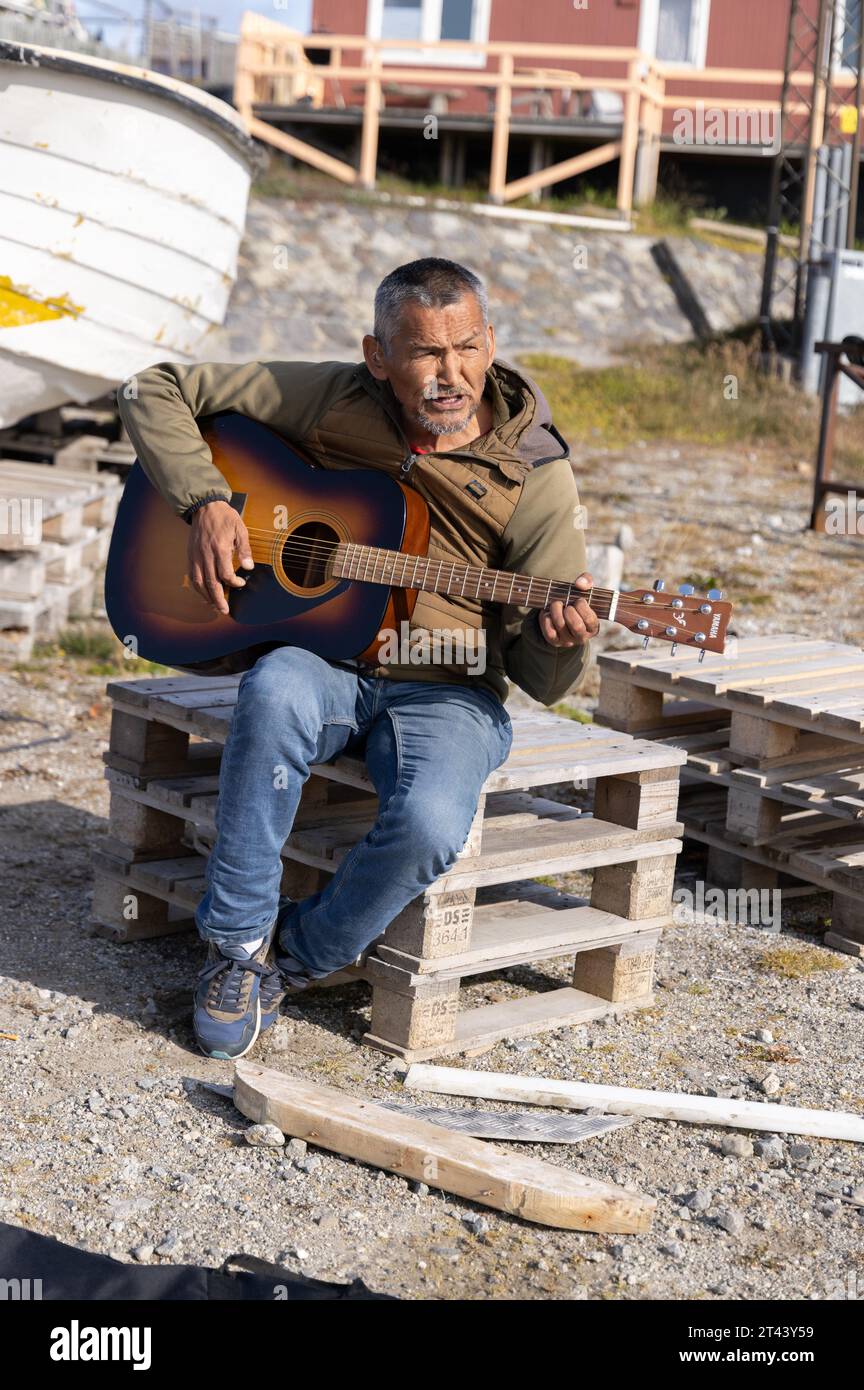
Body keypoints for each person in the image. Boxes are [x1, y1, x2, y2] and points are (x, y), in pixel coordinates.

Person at [117, 257, 599, 1059]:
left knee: (432, 824)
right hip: (327, 660)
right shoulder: (339, 395)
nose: (451, 376)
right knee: (273, 689)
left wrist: (560, 640)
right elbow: (151, 390)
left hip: (449, 689)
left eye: (468, 349)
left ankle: (297, 958)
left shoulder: (534, 473)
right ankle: (234, 950)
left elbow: (542, 682)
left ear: (491, 342)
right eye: (424, 354)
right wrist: (204, 502)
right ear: (378, 357)